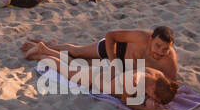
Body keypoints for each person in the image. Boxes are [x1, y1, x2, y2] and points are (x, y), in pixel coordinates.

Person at [21, 41, 179, 110]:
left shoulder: (158, 75)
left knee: (74, 66)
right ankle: (42, 54)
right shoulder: (135, 81)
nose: (155, 101)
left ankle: (46, 49)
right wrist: (148, 109)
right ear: (152, 91)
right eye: (155, 98)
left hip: (109, 71)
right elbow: (126, 101)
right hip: (99, 80)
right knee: (67, 70)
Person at [24, 25, 179, 83]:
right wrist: (113, 63)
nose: (160, 52)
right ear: (151, 39)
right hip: (116, 49)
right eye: (157, 46)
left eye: (165, 49)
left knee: (81, 64)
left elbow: (172, 85)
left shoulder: (168, 61)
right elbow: (111, 35)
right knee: (77, 52)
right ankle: (50, 46)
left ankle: (46, 47)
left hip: (126, 67)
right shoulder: (140, 37)